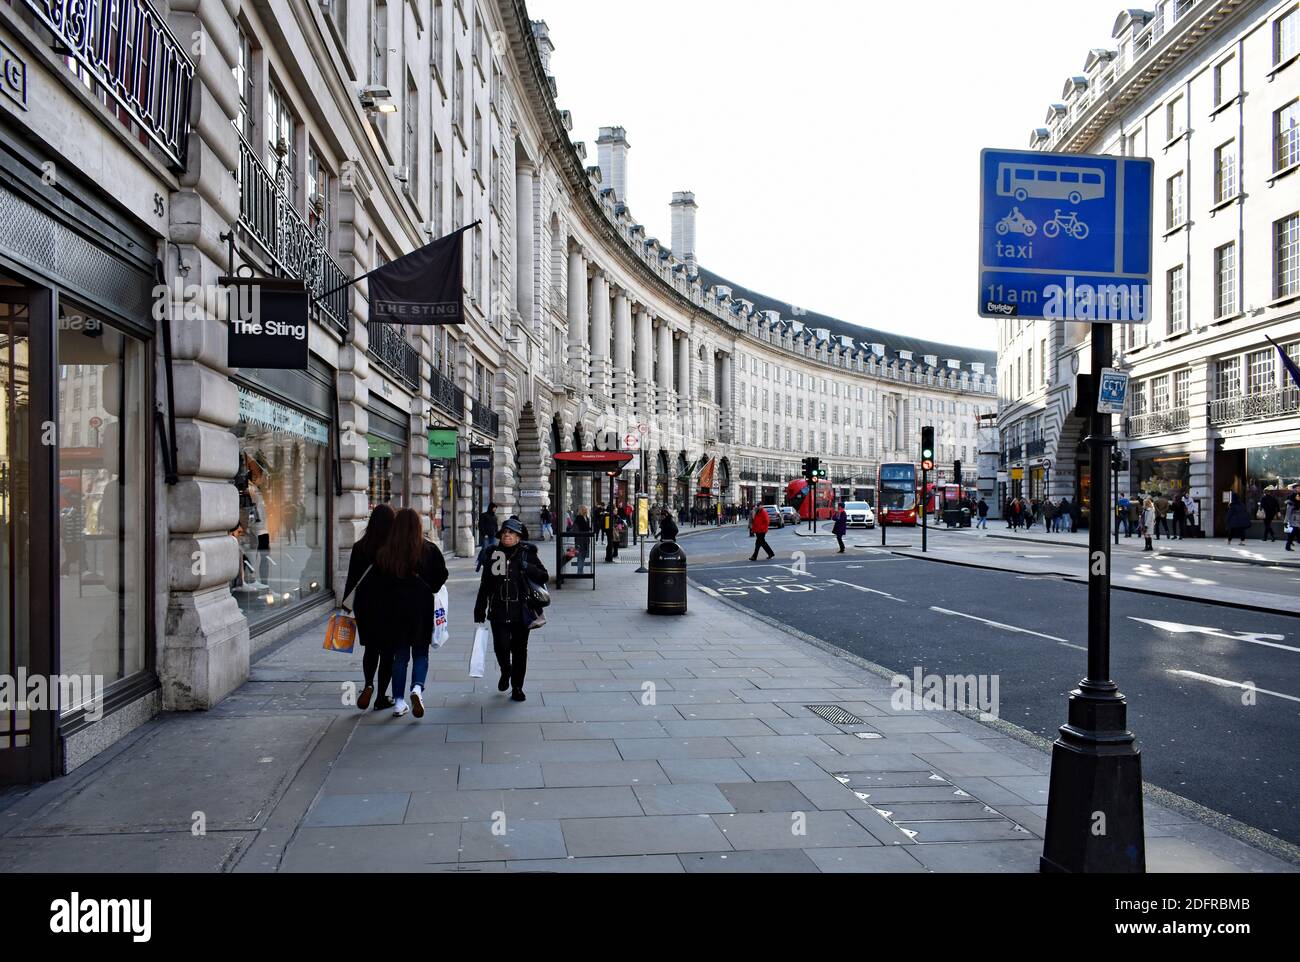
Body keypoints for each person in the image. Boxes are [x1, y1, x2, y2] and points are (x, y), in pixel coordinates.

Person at [370, 508, 448, 718]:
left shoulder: (385, 553)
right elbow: (441, 576)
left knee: (400, 656)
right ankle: (417, 688)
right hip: (421, 610)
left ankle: (398, 701)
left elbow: (378, 586)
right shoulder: (428, 549)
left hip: (394, 612)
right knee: (421, 653)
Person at [474, 518, 549, 702]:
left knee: (519, 650)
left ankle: (517, 687)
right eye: (505, 532)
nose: (507, 535)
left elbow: (543, 575)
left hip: (521, 611)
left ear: (518, 537)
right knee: (501, 647)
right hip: (498, 610)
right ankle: (505, 670)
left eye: (511, 533)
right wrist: (480, 607)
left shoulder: (527, 553)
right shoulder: (494, 553)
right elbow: (486, 584)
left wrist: (527, 567)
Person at [342, 504, 396, 711]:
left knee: (371, 649)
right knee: (388, 653)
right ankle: (382, 696)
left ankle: (368, 685)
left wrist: (346, 606)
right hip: (390, 606)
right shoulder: (394, 548)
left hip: (365, 606)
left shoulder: (360, 546)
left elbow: (352, 579)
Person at [475, 502, 499, 572]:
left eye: (495, 508)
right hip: (486, 536)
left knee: (493, 549)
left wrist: (496, 532)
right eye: (494, 508)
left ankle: (490, 561)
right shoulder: (484, 515)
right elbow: (481, 525)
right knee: (484, 549)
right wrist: (484, 534)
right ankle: (479, 560)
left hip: (493, 535)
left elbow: (496, 526)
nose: (495, 509)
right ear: (491, 507)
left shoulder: (494, 516)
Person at [573, 505, 592, 574]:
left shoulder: (586, 517)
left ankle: (581, 569)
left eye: (587, 509)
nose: (586, 510)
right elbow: (576, 529)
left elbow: (586, 527)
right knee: (580, 554)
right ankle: (579, 570)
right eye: (585, 509)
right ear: (582, 510)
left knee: (583, 555)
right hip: (580, 539)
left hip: (586, 538)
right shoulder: (578, 518)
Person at [1285, 485, 1299, 552]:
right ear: (1294, 489)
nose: (1299, 489)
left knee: (1296, 531)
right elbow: (1289, 508)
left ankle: (1289, 545)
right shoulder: (1291, 496)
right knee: (1295, 530)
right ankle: (1288, 545)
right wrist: (1286, 519)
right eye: (1298, 488)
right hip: (1294, 516)